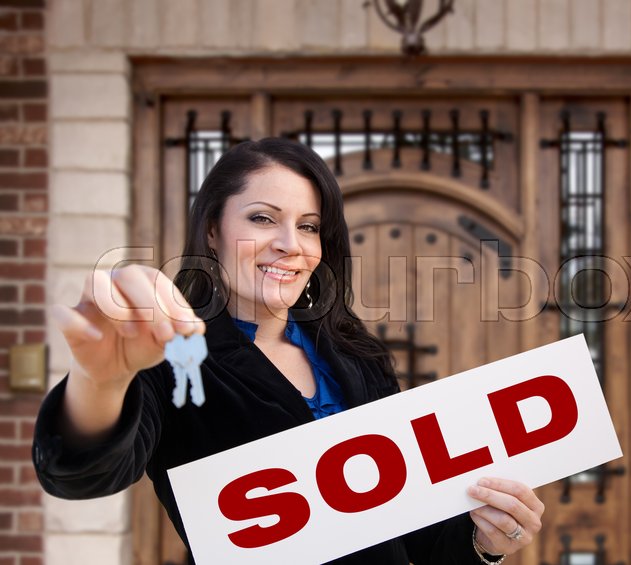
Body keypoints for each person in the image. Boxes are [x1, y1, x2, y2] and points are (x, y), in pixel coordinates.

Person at [32, 138, 544, 564]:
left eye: (308, 225)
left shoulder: (355, 355)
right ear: (213, 230)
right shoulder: (169, 356)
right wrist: (100, 379)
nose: (290, 244)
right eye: (261, 218)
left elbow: (414, 532)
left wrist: (485, 542)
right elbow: (81, 474)